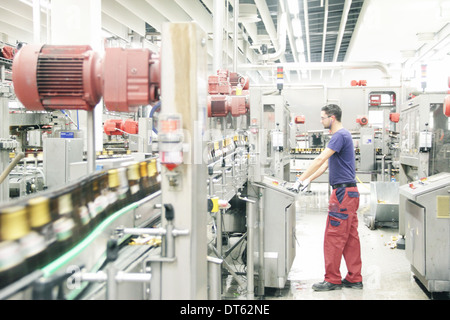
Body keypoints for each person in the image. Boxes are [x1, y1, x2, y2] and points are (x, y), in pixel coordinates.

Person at [291, 104, 363, 291]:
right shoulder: (341, 136)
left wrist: (299, 179)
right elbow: (325, 167)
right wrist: (308, 181)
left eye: (322, 117)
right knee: (350, 238)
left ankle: (332, 279)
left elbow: (319, 160)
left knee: (334, 236)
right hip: (350, 193)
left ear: (332, 118)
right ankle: (355, 278)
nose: (321, 121)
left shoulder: (339, 136)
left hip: (342, 195)